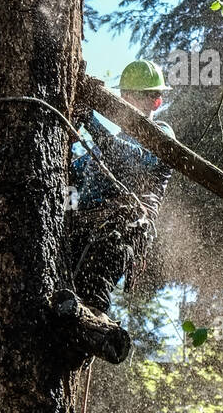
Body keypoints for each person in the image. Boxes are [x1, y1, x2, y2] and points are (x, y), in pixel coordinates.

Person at [69, 59, 175, 318]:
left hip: (125, 227)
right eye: (125, 96)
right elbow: (75, 172)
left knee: (94, 290)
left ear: (155, 102)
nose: (128, 102)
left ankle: (95, 323)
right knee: (67, 283)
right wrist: (69, 134)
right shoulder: (107, 144)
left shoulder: (161, 135)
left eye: (136, 97)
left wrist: (91, 122)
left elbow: (132, 161)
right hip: (86, 227)